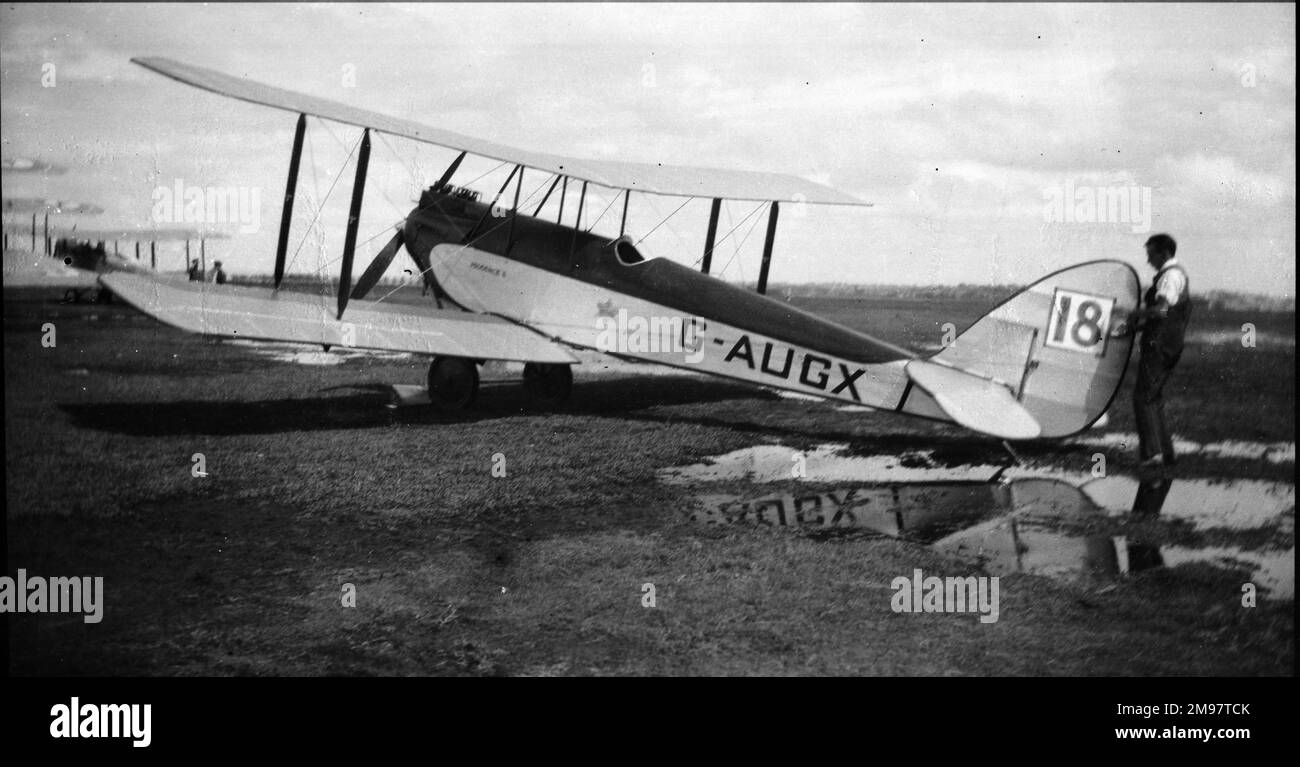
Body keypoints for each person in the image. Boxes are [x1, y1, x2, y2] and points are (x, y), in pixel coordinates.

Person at [1123, 233, 1190, 468]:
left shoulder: (1169, 277)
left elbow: (1161, 311)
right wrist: (1138, 327)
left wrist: (1134, 314)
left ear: (1164, 253)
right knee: (1154, 398)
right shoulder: (1176, 274)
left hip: (1159, 345)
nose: (1149, 260)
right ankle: (1167, 453)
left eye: (1151, 255)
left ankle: (1152, 455)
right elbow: (1167, 315)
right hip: (1169, 343)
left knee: (1143, 397)